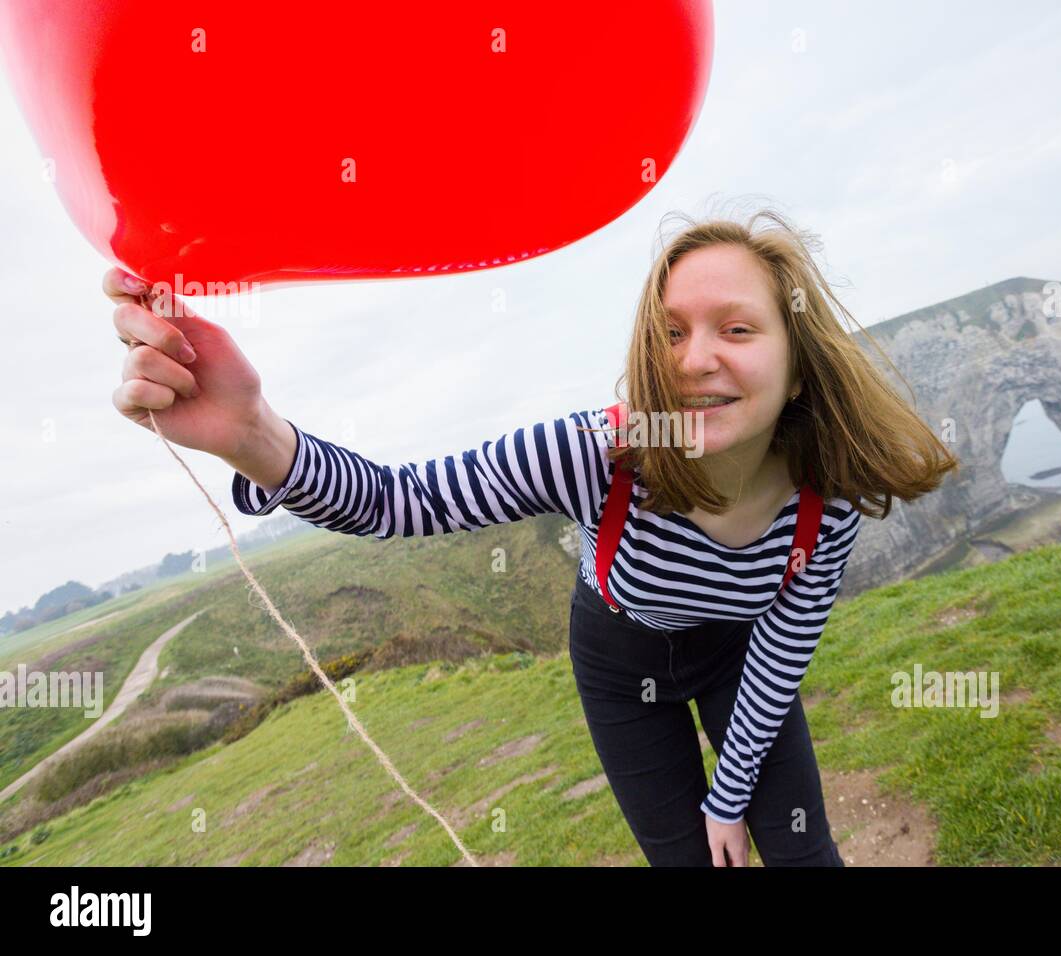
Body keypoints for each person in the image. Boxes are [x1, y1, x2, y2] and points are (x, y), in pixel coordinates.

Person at [106, 205, 959, 866]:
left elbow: (780, 653)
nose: (695, 358)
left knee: (803, 849)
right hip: (622, 668)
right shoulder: (598, 454)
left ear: (799, 362)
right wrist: (251, 431)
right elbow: (398, 503)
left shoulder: (830, 494)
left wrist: (729, 797)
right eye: (670, 334)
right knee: (686, 859)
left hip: (740, 661)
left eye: (736, 328)